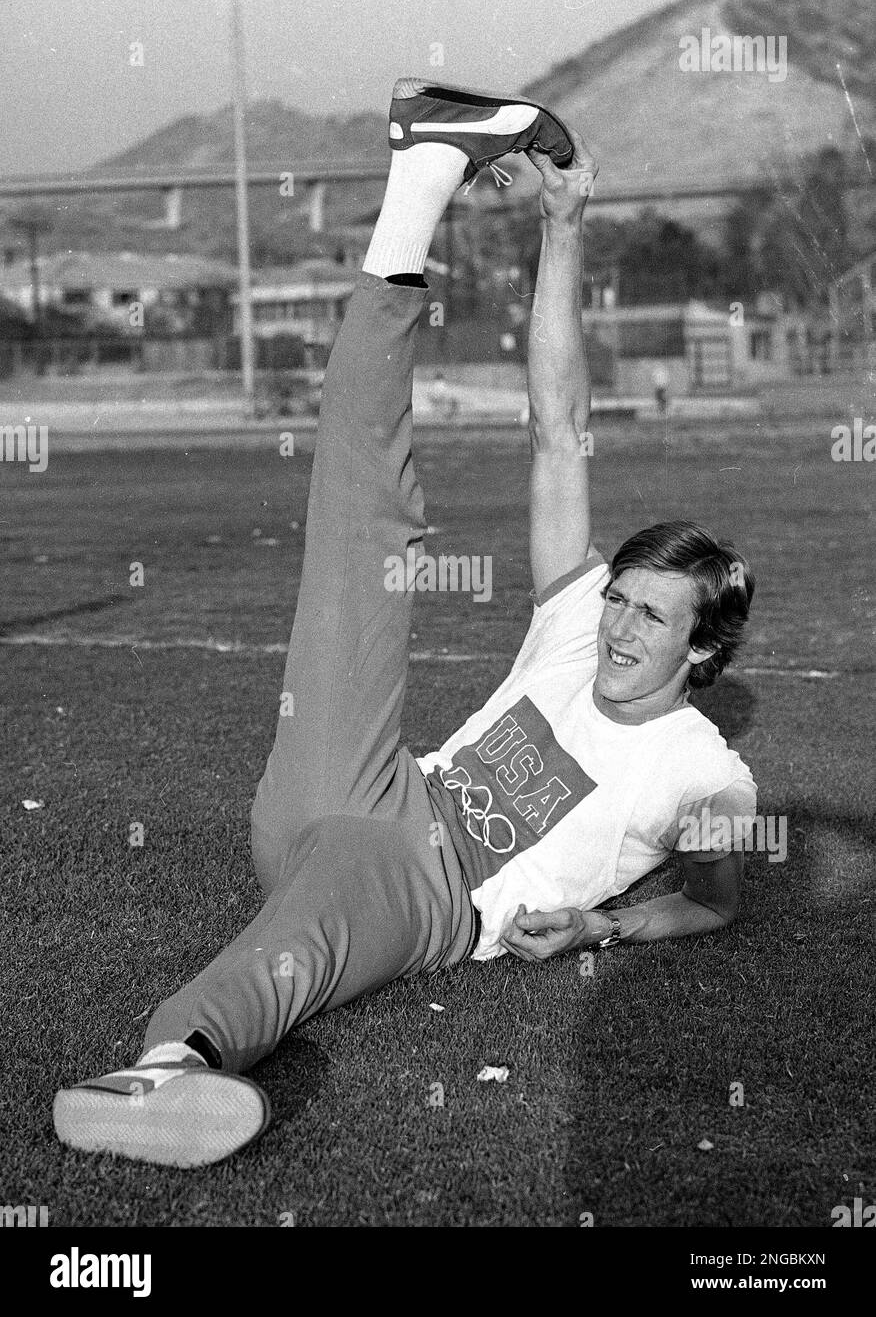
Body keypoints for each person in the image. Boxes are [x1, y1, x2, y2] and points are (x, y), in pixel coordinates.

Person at [54, 79, 756, 1168]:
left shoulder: (705, 771)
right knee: (355, 524)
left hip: (431, 891)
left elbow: (714, 901)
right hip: (367, 786)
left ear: (701, 651)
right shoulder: (578, 623)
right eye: (619, 598)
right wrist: (563, 225)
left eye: (650, 618)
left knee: (301, 937)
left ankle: (172, 1065)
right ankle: (419, 181)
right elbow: (558, 432)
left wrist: (597, 926)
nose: (616, 628)